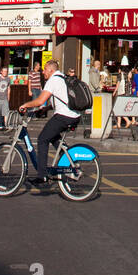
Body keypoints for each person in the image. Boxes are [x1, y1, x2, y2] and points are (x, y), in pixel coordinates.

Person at [18, 60, 79, 189]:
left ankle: (42, 176)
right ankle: (70, 160)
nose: (43, 72)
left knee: (42, 139)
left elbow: (40, 100)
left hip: (64, 116)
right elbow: (62, 99)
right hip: (73, 115)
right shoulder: (62, 77)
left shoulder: (53, 80)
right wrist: (47, 109)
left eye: (45, 69)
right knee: (52, 137)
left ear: (51, 70)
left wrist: (25, 105)